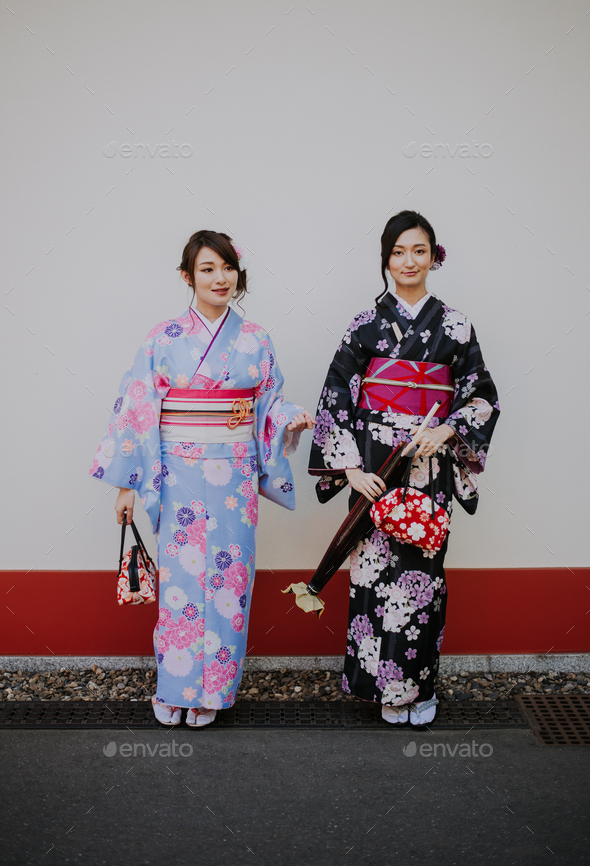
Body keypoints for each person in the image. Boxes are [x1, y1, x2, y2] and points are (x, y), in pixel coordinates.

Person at [90, 230, 314, 726]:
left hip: (234, 475)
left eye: (228, 268)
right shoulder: (163, 338)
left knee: (230, 579)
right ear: (187, 276)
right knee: (182, 579)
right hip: (178, 472)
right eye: (208, 269)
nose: (220, 278)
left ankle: (214, 692)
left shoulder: (255, 339)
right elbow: (137, 408)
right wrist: (128, 484)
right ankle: (175, 687)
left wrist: (289, 418)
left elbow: (269, 402)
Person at [308, 210, 499, 725]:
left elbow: (481, 396)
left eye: (419, 250)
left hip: (428, 467)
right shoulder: (364, 326)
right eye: (398, 252)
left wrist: (447, 430)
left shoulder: (456, 326)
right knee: (371, 571)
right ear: (386, 260)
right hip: (373, 469)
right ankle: (382, 690)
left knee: (423, 576)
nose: (408, 261)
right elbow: (336, 397)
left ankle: (419, 689)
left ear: (434, 257)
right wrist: (348, 469)